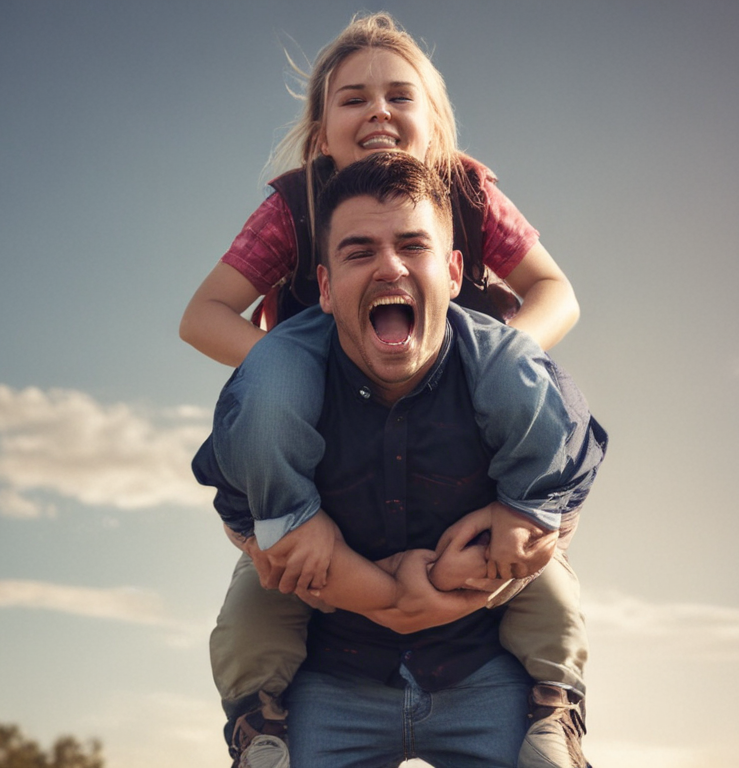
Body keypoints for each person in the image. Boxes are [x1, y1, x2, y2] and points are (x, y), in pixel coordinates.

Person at [193, 152, 607, 767]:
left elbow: (558, 495)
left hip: (483, 669)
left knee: (550, 581)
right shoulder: (275, 395)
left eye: (413, 246)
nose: (389, 266)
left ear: (455, 270)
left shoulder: (509, 377)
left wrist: (468, 563)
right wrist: (334, 564)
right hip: (331, 676)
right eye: (359, 252)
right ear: (326, 289)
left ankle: (554, 706)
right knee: (255, 596)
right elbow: (242, 513)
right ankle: (257, 721)